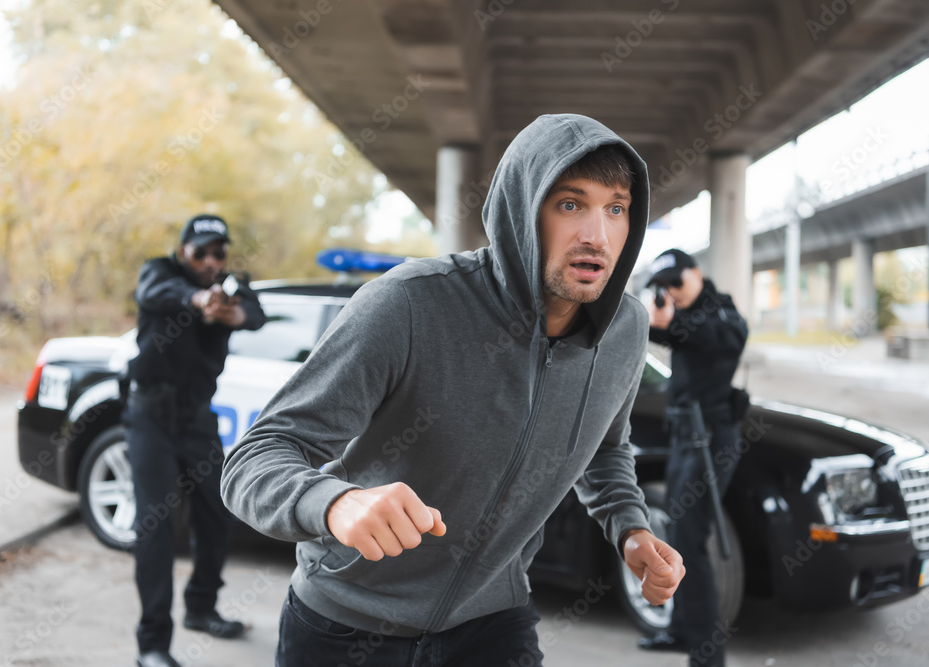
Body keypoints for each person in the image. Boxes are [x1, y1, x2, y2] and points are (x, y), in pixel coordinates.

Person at [221, 114, 685, 666]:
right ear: (521, 209)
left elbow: (606, 449)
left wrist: (630, 528)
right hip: (346, 623)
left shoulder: (625, 331)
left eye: (616, 208)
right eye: (569, 204)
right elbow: (254, 459)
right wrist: (334, 501)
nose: (596, 234)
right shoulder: (409, 305)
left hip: (491, 623)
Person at [123, 214, 266, 667]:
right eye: (199, 251)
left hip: (198, 417)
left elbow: (256, 314)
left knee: (219, 514)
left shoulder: (230, 285)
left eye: (217, 253)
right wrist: (198, 298)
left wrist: (234, 311)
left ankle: (201, 610)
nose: (209, 261)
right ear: (182, 251)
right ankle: (152, 646)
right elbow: (154, 293)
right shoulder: (159, 273)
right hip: (151, 414)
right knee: (156, 529)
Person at [639, 248, 748, 667]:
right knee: (678, 534)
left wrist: (674, 320)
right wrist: (653, 320)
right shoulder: (684, 316)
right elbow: (663, 334)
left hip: (711, 438)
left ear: (696, 273)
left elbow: (729, 337)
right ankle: (682, 629)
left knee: (691, 542)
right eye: (663, 287)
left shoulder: (721, 311)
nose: (672, 292)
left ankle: (708, 653)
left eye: (676, 283)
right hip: (684, 436)